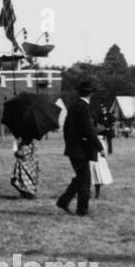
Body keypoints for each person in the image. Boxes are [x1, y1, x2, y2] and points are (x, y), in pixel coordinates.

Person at [56, 80, 102, 217]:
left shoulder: (73, 106)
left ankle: (64, 201)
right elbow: (88, 129)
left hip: (73, 149)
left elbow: (66, 128)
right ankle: (82, 211)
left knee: (80, 178)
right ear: (91, 94)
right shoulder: (84, 108)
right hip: (81, 150)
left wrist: (69, 143)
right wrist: (100, 147)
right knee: (85, 182)